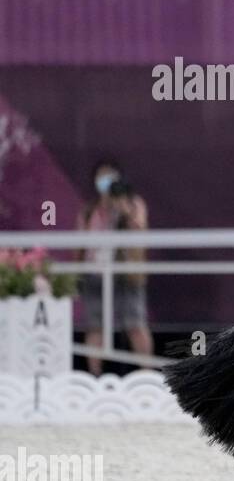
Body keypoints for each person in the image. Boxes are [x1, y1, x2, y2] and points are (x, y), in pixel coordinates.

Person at [76, 159, 153, 374]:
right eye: (101, 177)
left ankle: (146, 373)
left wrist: (123, 209)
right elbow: (81, 243)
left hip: (128, 272)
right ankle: (95, 376)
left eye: (110, 177)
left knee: (135, 323)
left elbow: (140, 232)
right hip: (96, 273)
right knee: (95, 325)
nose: (106, 182)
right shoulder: (89, 210)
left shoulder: (134, 203)